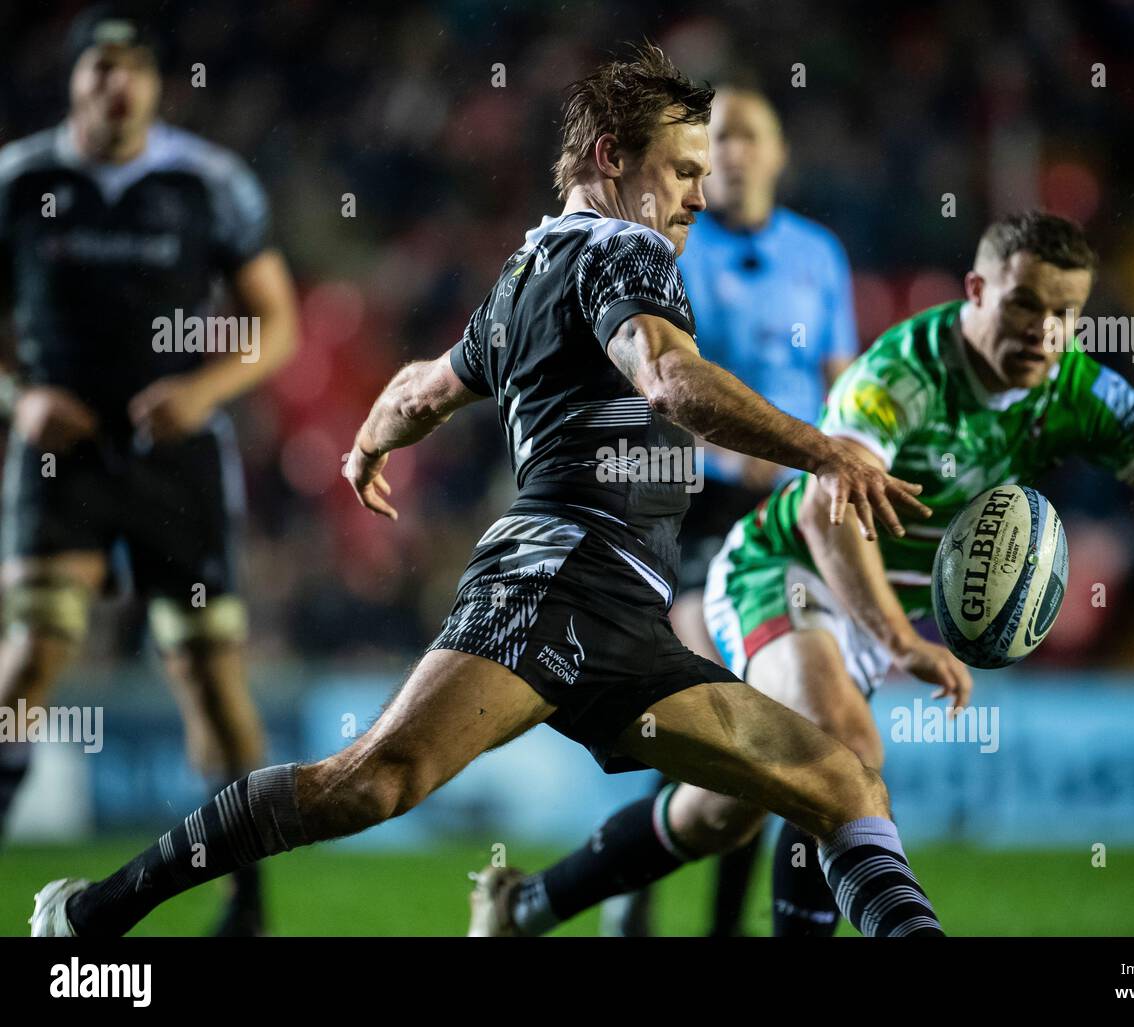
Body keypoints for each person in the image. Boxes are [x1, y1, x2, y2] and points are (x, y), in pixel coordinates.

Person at [29, 43, 943, 940]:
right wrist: (824, 450)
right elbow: (669, 381)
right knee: (371, 781)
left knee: (842, 781)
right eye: (683, 171)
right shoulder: (626, 253)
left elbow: (425, 387)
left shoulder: (524, 271)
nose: (700, 196)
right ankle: (91, 913)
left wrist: (370, 440)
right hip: (555, 581)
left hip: (626, 615)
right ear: (609, 158)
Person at [484, 210, 1134, 937]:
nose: (1043, 332)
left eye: (1064, 314)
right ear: (977, 288)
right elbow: (821, 513)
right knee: (841, 752)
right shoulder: (903, 374)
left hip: (874, 612)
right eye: (1023, 304)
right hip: (787, 570)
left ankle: (526, 905)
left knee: (722, 811)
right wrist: (898, 640)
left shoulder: (1079, 388)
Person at [0, 6, 298, 935]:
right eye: (98, 66)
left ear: (157, 85)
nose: (113, 84)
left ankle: (246, 900)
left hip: (177, 463)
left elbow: (276, 323)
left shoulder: (208, 182)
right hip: (62, 459)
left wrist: (207, 393)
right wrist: (18, 398)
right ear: (75, 79)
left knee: (209, 678)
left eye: (131, 67)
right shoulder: (20, 180)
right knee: (30, 659)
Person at [607, 86, 861, 937]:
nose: (735, 152)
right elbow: (652, 381)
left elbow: (841, 385)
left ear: (780, 152)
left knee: (758, 715)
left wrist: (844, 463)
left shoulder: (820, 255)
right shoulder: (669, 249)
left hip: (795, 507)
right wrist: (730, 453)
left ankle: (678, 906)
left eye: (750, 134)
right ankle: (633, 884)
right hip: (692, 494)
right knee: (720, 697)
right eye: (720, 138)